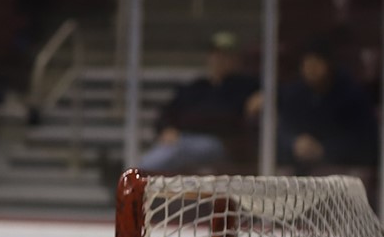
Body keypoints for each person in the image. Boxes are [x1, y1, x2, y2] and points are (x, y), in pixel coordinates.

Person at [138, 31, 262, 174]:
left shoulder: (245, 86)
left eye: (226, 55)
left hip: (220, 143)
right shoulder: (196, 87)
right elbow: (167, 112)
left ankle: (138, 178)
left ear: (236, 59)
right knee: (172, 147)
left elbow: (279, 93)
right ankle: (138, 179)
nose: (220, 59)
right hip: (184, 140)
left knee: (177, 149)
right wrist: (167, 128)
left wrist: (262, 97)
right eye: (216, 55)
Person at [277, 40, 380, 173]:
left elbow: (364, 142)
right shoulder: (294, 95)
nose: (311, 69)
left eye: (316, 62)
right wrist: (294, 144)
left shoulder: (352, 95)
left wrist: (324, 150)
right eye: (306, 63)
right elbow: (282, 131)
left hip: (344, 173)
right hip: (302, 171)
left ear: (329, 64)